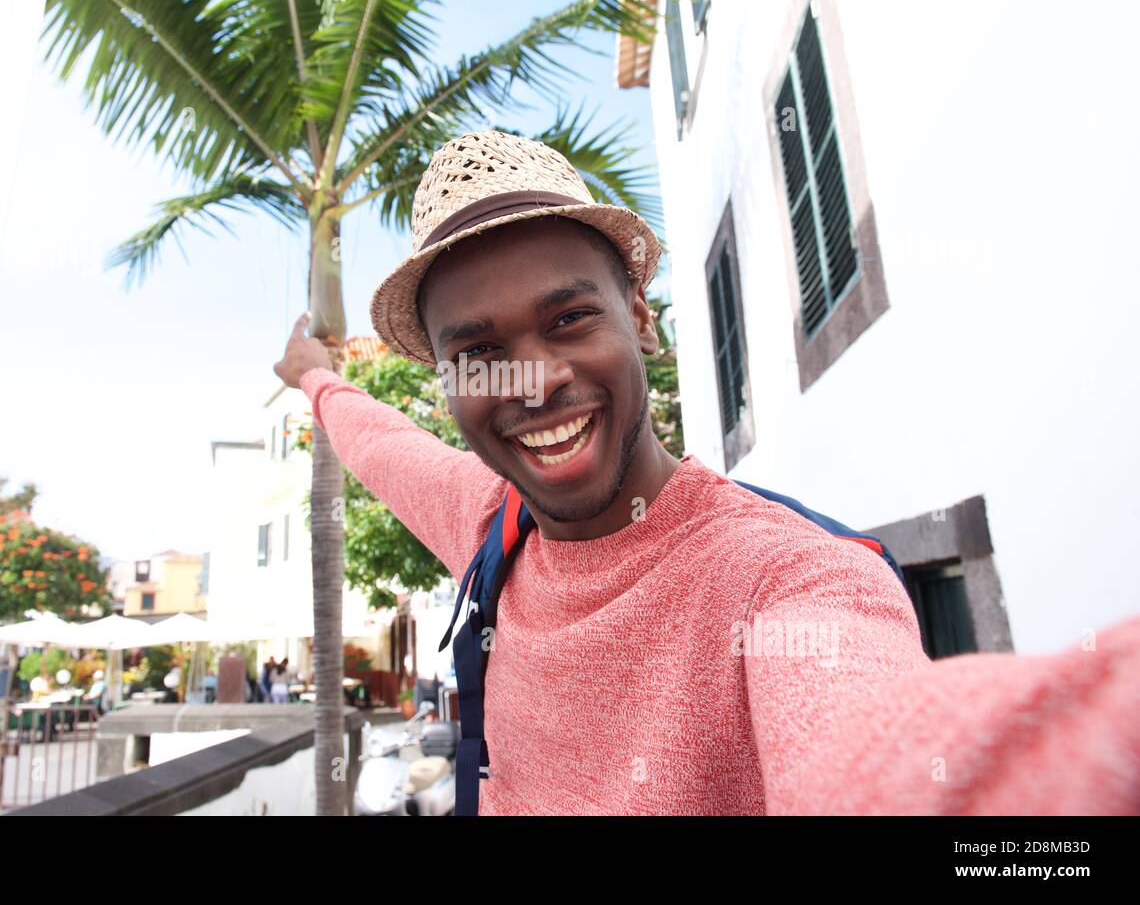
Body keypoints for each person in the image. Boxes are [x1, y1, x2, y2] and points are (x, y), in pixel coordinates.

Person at [273, 130, 1140, 815]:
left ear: (641, 320)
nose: (531, 381)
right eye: (479, 352)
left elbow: (874, 750)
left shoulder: (784, 579)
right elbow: (377, 441)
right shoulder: (488, 519)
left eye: (570, 318)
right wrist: (313, 374)